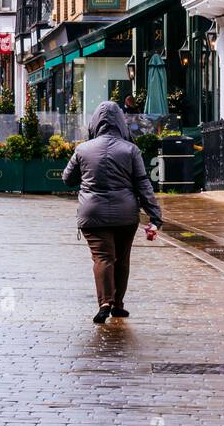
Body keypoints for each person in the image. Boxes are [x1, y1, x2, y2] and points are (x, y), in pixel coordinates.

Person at [63, 102, 162, 324]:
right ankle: (118, 304)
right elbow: (143, 184)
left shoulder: (83, 149)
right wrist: (155, 217)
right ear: (121, 123)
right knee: (122, 259)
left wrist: (88, 177)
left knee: (102, 257)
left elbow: (67, 178)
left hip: (92, 212)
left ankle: (104, 303)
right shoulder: (130, 149)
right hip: (125, 214)